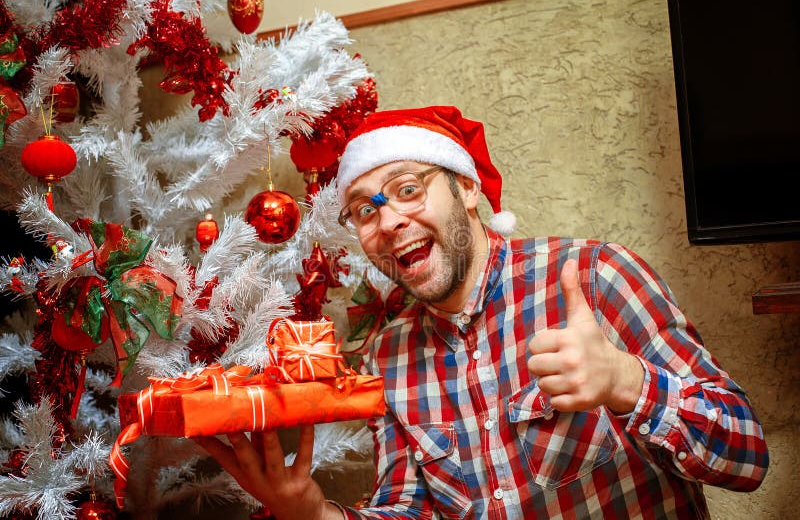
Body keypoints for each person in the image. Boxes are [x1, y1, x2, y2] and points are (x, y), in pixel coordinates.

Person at [194, 106, 768, 519]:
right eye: (363, 210)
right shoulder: (387, 355)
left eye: (408, 189)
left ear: (467, 189)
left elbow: (747, 459)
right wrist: (313, 513)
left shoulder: (595, 276)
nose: (387, 221)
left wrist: (627, 383)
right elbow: (411, 509)